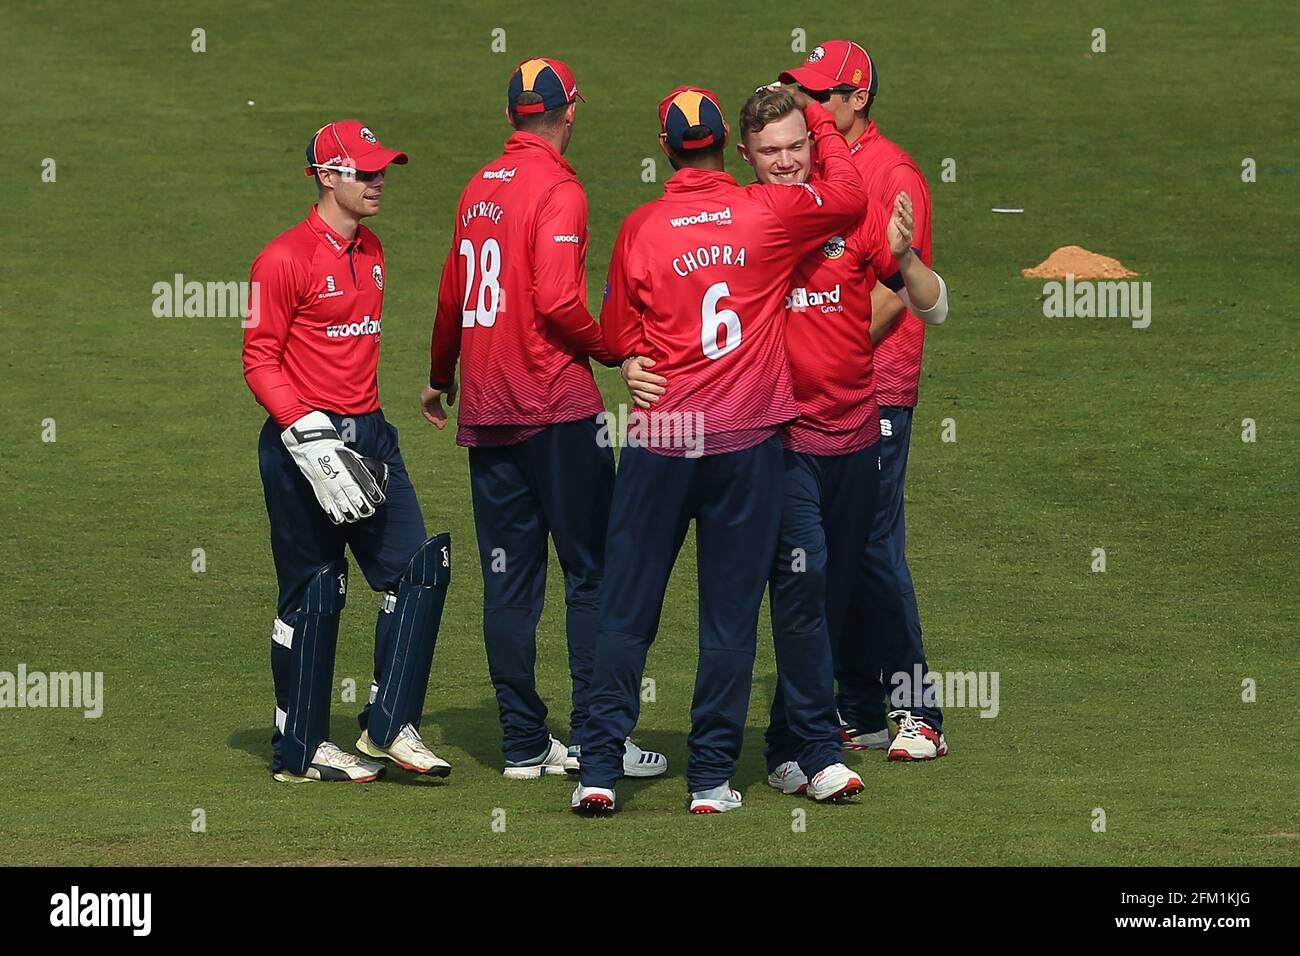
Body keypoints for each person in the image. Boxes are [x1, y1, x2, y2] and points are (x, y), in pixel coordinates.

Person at [571, 85, 868, 816]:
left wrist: (632, 359)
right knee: (728, 620)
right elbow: (851, 197)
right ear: (727, 151)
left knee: (627, 610)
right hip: (748, 443)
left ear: (667, 149)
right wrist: (820, 120)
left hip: (664, 439)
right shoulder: (769, 212)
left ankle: (599, 769)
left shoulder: (641, 227)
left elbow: (615, 334)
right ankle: (709, 780)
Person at [422, 58, 666, 781]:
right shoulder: (559, 189)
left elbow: (451, 296)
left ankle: (524, 743)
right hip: (557, 409)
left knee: (508, 583)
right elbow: (559, 302)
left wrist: (440, 377)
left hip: (487, 407)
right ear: (570, 112)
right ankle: (595, 739)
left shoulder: (477, 187)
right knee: (594, 574)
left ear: (510, 116)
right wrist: (615, 349)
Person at [244, 120, 451, 784]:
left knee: (420, 571)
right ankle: (299, 751)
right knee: (315, 593)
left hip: (371, 433)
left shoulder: (373, 248)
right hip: (303, 446)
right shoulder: (284, 259)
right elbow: (259, 359)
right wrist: (307, 432)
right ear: (327, 176)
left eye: (382, 169)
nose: (378, 180)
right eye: (365, 171)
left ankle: (387, 726)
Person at [781, 41, 948, 760]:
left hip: (875, 384)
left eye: (820, 95)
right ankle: (859, 707)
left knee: (875, 547)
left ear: (858, 99)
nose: (807, 104)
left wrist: (834, 353)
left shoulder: (891, 173)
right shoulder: (821, 165)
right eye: (803, 91)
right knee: (836, 551)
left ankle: (919, 710)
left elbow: (897, 290)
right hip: (824, 395)